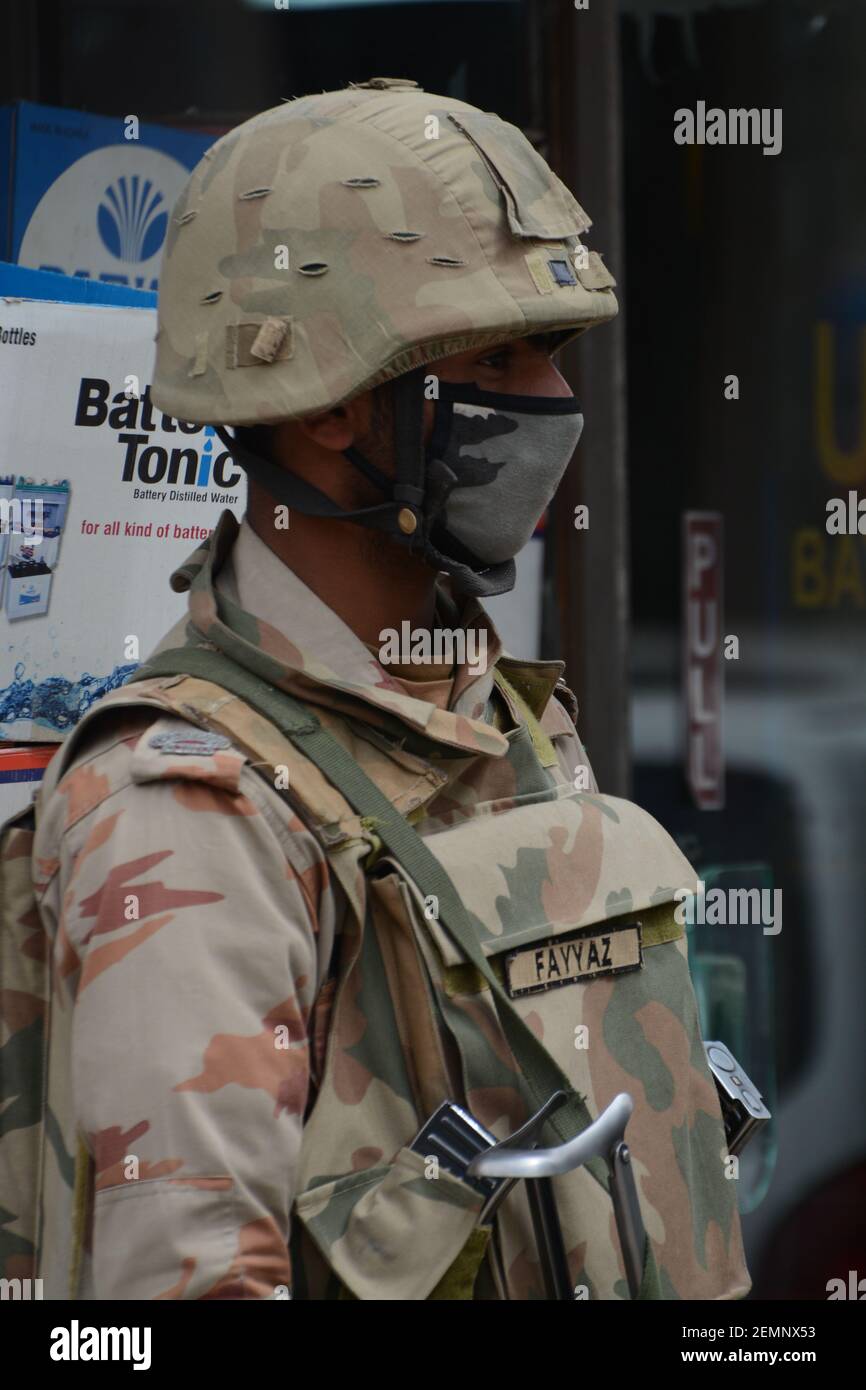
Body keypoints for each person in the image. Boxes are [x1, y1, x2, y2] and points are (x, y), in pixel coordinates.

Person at [30, 78, 750, 1300]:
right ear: (328, 405)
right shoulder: (187, 804)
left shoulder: (497, 716)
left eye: (551, 352)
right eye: (498, 356)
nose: (551, 405)